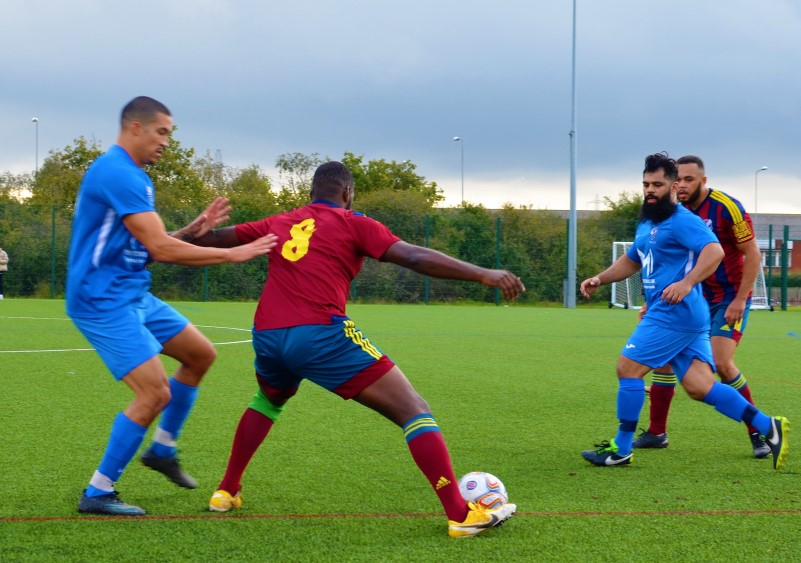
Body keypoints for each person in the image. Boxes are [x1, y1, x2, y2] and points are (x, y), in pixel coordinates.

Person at [187, 161, 524, 538]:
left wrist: (164, 236)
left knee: (268, 401)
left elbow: (211, 239)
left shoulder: (280, 221)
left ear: (311, 194)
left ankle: (226, 491)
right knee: (414, 410)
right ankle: (461, 514)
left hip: (267, 334)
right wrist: (482, 273)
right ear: (347, 194)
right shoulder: (354, 222)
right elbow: (413, 256)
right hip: (319, 334)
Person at [66, 96, 278, 516]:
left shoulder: (135, 177)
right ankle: (98, 491)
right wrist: (233, 253)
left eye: (170, 133)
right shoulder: (117, 172)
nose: (167, 141)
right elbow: (160, 247)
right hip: (101, 299)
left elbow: (148, 245)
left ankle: (162, 449)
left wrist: (193, 230)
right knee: (154, 392)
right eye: (162, 132)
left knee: (200, 354)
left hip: (132, 292)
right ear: (135, 127)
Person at [579, 152, 788, 470]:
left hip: (674, 314)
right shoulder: (649, 221)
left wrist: (688, 282)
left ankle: (621, 448)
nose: (651, 190)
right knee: (700, 386)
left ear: (673, 186)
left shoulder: (682, 220)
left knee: (627, 368)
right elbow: (633, 259)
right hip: (681, 316)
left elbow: (715, 251)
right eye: (646, 184)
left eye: (658, 184)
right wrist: (600, 278)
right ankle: (767, 426)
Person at [633, 155, 771, 458]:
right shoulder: (671, 212)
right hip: (690, 298)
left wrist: (739, 299)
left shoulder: (726, 207)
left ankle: (760, 433)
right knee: (664, 357)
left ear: (703, 181)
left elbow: (753, 254)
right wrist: (650, 302)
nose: (681, 185)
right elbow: (661, 261)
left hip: (728, 297)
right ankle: (657, 432)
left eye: (689, 180)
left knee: (722, 363)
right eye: (678, 179)